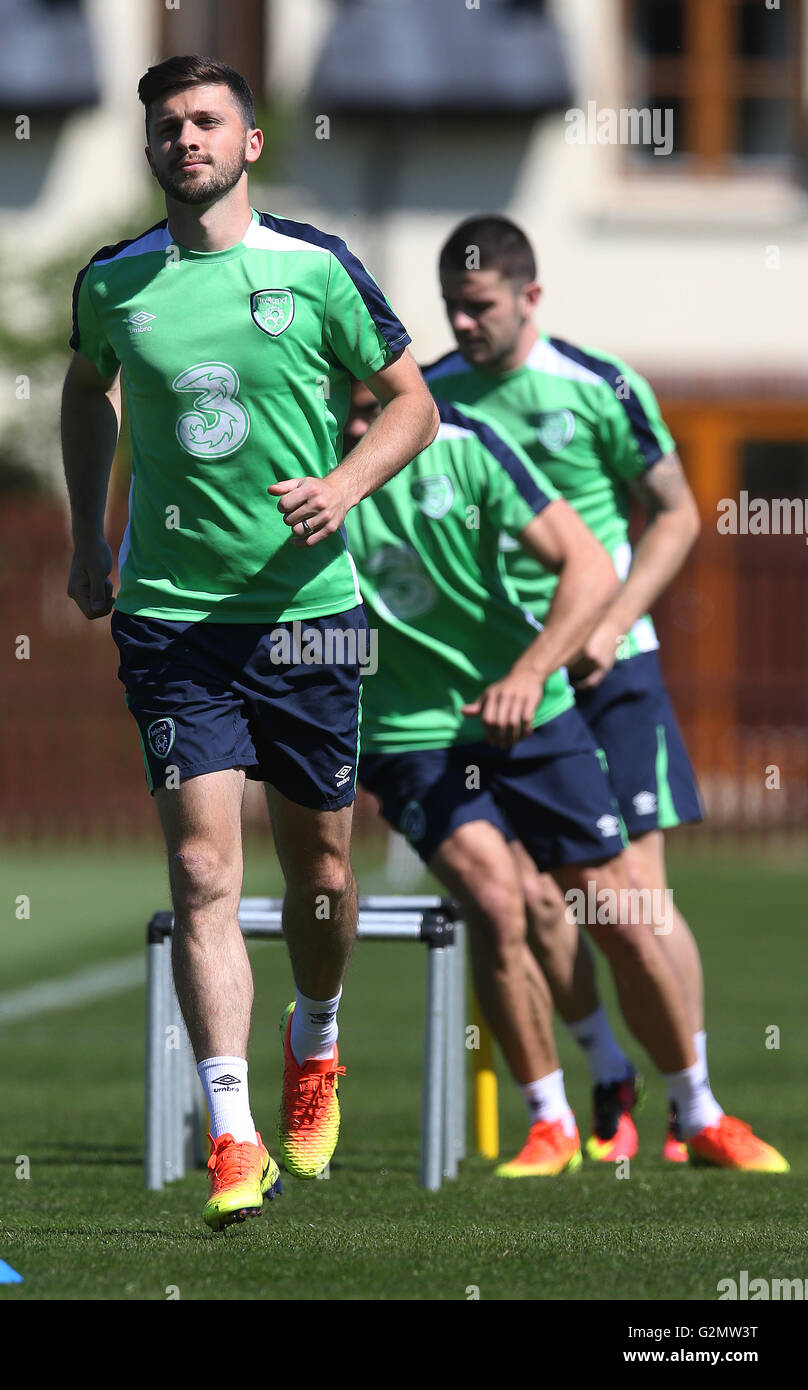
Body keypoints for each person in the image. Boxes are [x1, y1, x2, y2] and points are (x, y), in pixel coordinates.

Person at [61, 56, 439, 1230]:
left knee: (319, 874)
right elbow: (88, 390)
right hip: (174, 618)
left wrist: (345, 482)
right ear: (149, 149)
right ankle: (232, 1135)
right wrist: (88, 532)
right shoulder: (115, 282)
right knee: (199, 873)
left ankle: (313, 1039)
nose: (185, 139)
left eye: (205, 120)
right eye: (166, 125)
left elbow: (413, 404)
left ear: (249, 142)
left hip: (309, 619)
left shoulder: (314, 268)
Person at [423, 214, 788, 1171]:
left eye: (481, 308)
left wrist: (614, 618)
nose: (463, 326)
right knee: (537, 907)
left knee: (633, 905)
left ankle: (690, 1105)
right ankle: (605, 1078)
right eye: (452, 310)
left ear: (530, 298)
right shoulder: (428, 400)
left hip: (610, 673)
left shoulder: (598, 384)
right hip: (504, 682)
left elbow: (673, 514)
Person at [343, 382, 780, 1175]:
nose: (356, 424)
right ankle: (551, 1119)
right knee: (499, 898)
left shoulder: (470, 450)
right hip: (410, 734)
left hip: (533, 711)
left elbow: (586, 564)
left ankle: (698, 1110)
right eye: (342, 404)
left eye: (375, 407)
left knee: (614, 907)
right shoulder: (299, 470)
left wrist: (532, 669)